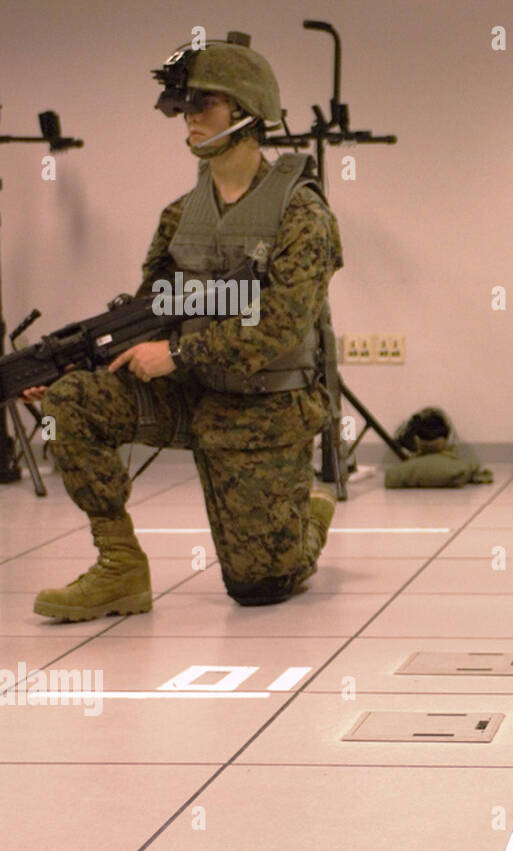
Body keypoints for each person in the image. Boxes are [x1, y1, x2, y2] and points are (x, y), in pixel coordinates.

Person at [26, 32, 341, 620]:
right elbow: (151, 312)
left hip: (264, 407)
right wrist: (78, 366)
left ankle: (308, 520)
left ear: (248, 112)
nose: (189, 119)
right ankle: (120, 567)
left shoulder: (302, 213)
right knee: (71, 402)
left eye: (204, 105)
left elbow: (278, 326)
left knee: (258, 587)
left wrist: (177, 355)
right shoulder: (180, 216)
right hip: (189, 392)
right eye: (184, 106)